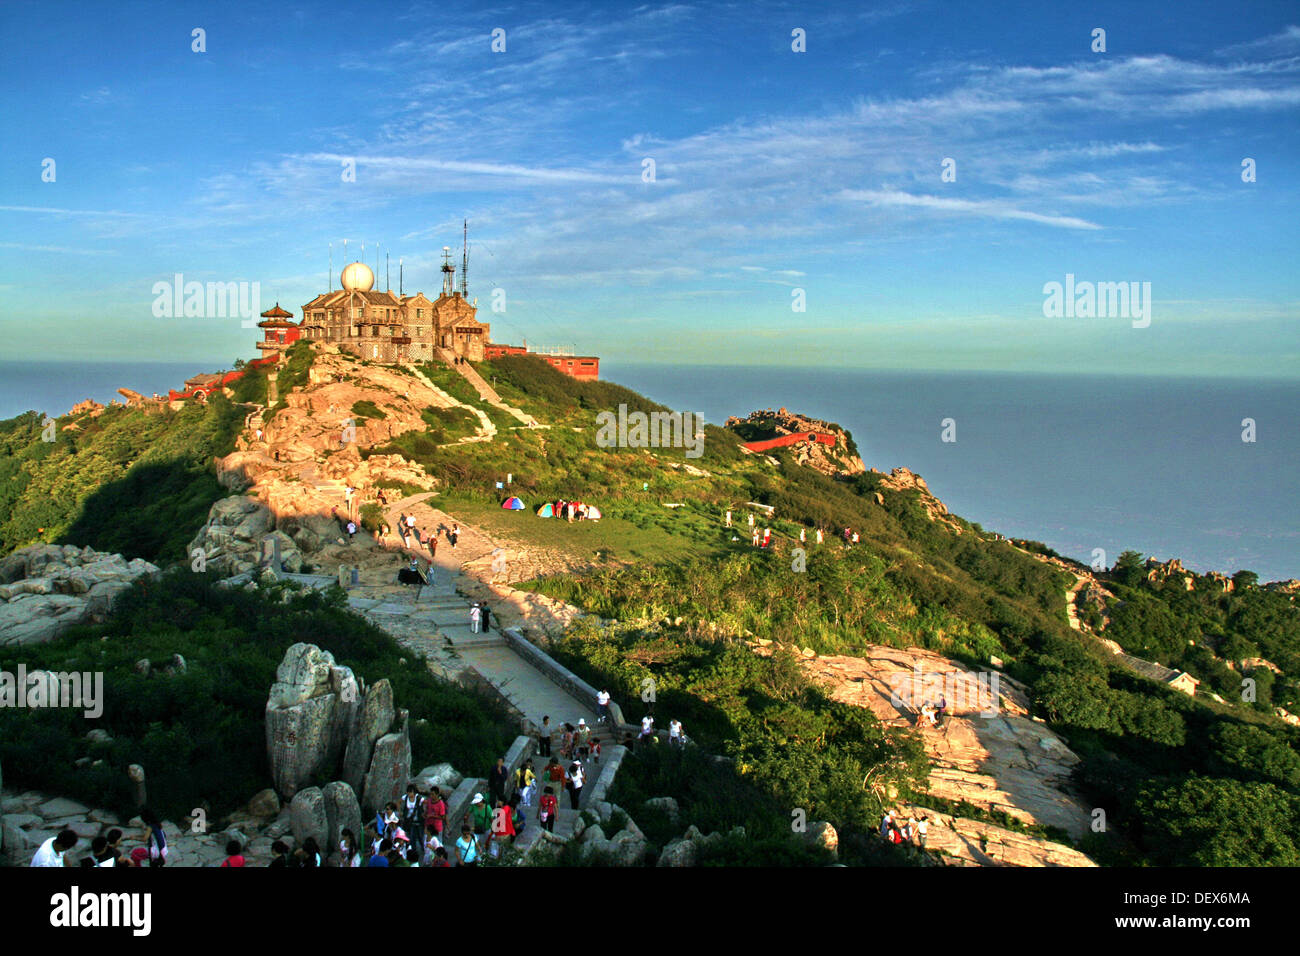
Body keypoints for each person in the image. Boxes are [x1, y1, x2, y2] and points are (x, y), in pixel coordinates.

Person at [401, 785, 425, 853]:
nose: (409, 794)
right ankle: (413, 850)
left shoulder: (419, 798)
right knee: (412, 836)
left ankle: (423, 848)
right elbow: (399, 802)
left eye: (410, 792)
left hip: (419, 820)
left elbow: (425, 803)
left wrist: (424, 813)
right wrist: (400, 811)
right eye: (408, 792)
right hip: (410, 820)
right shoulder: (405, 797)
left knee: (420, 836)